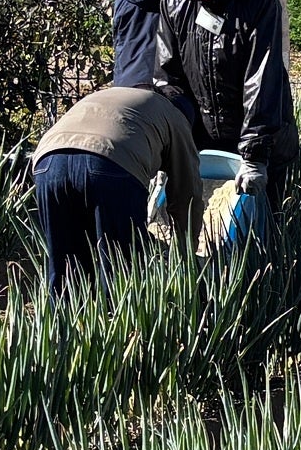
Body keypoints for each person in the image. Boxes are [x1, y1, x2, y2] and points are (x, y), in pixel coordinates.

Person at [156, 0, 298, 209]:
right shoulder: (174, 1)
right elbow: (168, 79)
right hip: (203, 145)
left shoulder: (258, 0)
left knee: (260, 225)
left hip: (260, 145)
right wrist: (171, 146)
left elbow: (261, 79)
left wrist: (254, 155)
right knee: (204, 227)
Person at [32, 85, 202, 294]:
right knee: (120, 271)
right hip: (110, 164)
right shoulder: (175, 115)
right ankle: (116, 314)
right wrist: (186, 254)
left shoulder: (116, 98)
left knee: (66, 269)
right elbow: (187, 195)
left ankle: (64, 315)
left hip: (48, 162)